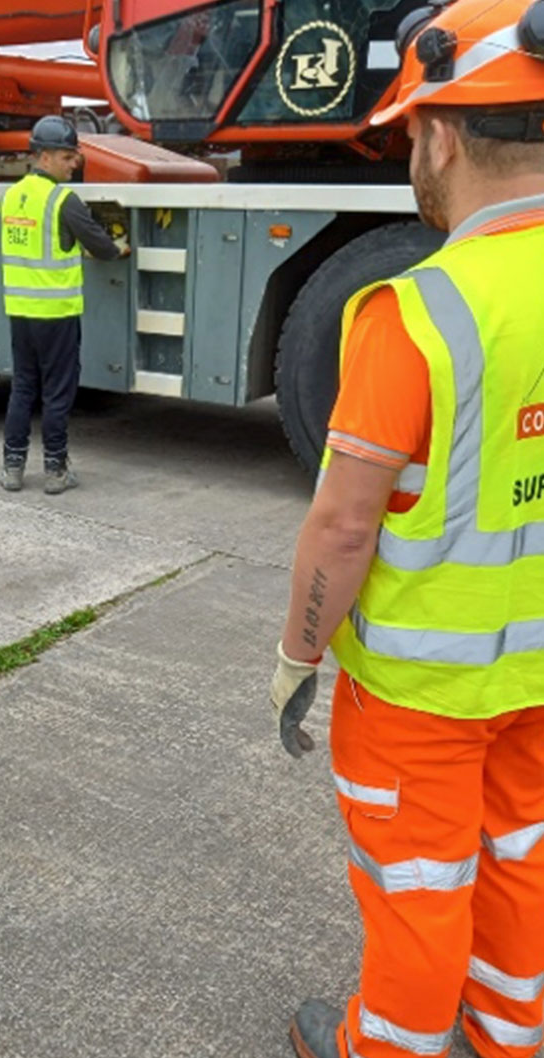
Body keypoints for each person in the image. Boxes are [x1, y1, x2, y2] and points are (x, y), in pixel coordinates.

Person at [268, 1, 544, 1055]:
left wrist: (296, 656)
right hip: (538, 675)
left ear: (442, 132)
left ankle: (382, 1046)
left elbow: (343, 528)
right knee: (521, 858)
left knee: (421, 886)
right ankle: (511, 1033)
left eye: (411, 136)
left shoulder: (414, 311)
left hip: (419, 696)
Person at [0, 115, 130, 495]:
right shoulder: (62, 201)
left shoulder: (10, 196)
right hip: (56, 314)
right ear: (44, 157)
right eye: (68, 156)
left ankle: (12, 468)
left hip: (21, 311)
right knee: (57, 393)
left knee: (23, 388)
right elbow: (101, 247)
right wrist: (119, 248)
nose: (75, 162)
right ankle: (56, 471)